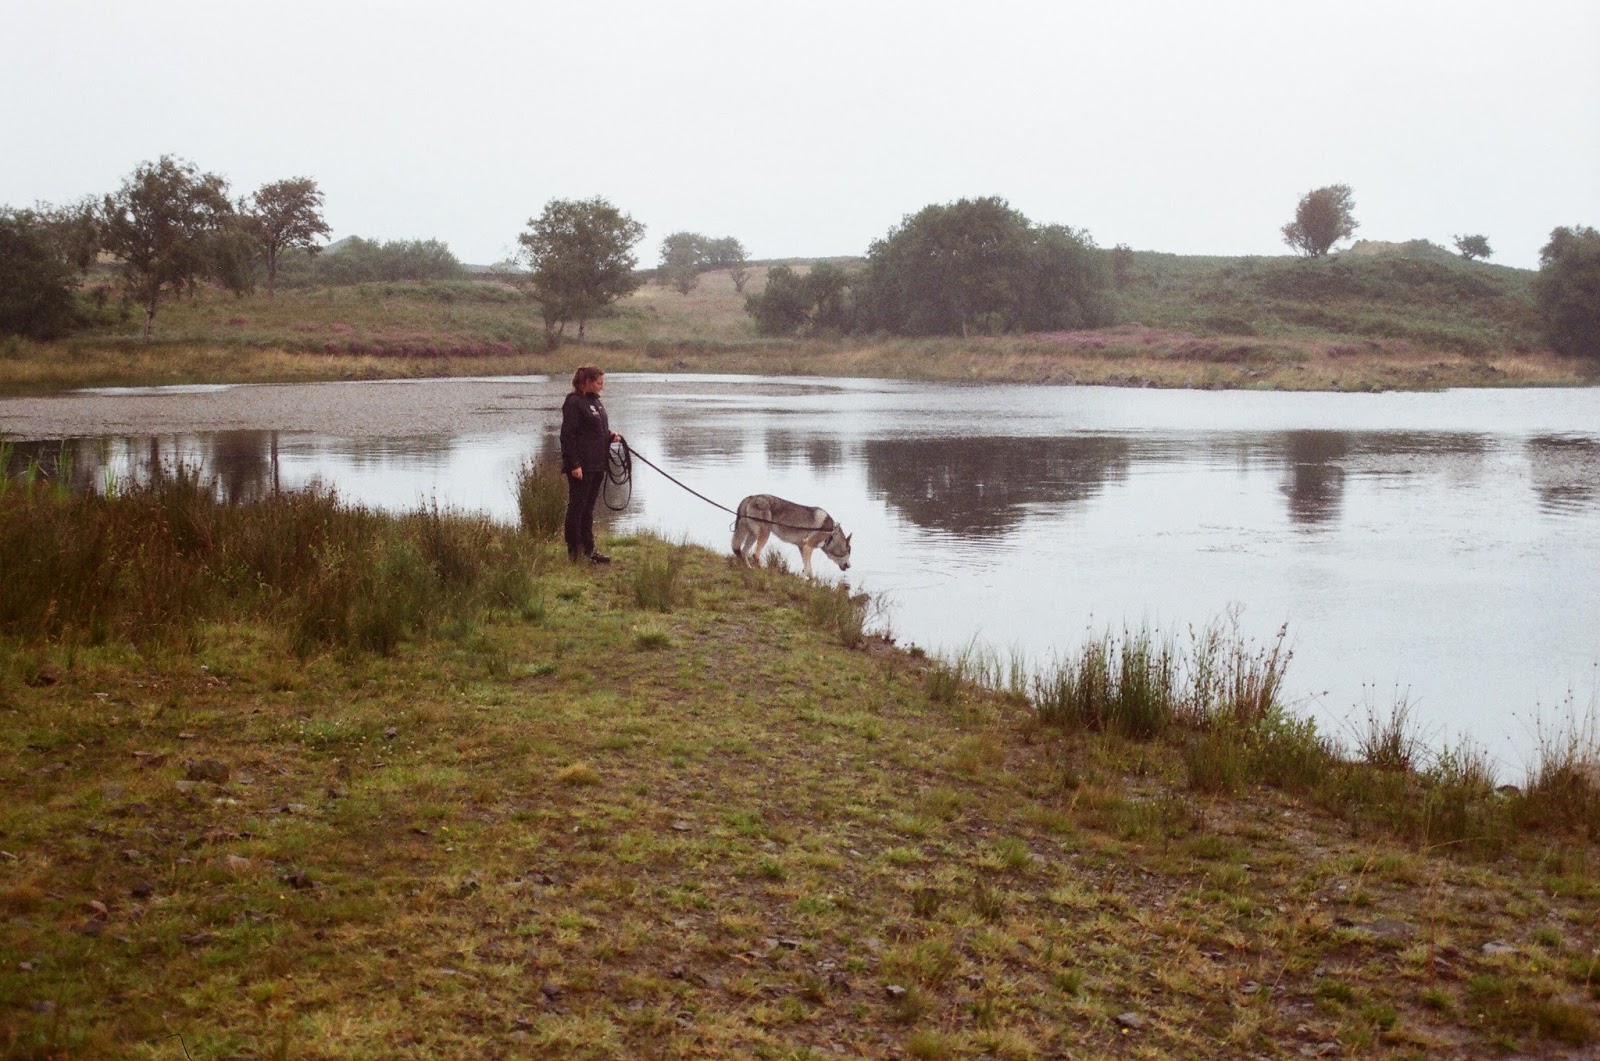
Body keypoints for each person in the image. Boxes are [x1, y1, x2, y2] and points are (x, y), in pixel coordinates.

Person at [559, 365, 621, 563]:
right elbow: (567, 436)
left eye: (602, 382)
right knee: (577, 508)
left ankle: (590, 550)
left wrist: (610, 436)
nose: (602, 386)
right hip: (581, 466)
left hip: (597, 464)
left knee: (588, 509)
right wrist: (574, 464)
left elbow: (594, 431)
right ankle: (575, 553)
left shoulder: (595, 402)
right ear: (587, 382)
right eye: (599, 382)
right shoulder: (574, 402)